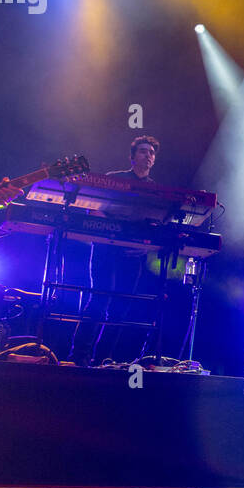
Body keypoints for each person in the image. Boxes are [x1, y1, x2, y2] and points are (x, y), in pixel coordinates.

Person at [70, 135, 160, 365]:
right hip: (106, 249)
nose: (148, 155)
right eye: (143, 151)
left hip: (133, 254)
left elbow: (155, 223)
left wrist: (140, 244)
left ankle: (103, 360)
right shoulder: (113, 179)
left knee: (121, 309)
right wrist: (112, 233)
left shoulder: (155, 190)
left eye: (151, 152)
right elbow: (94, 209)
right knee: (99, 302)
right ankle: (79, 357)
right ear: (132, 158)